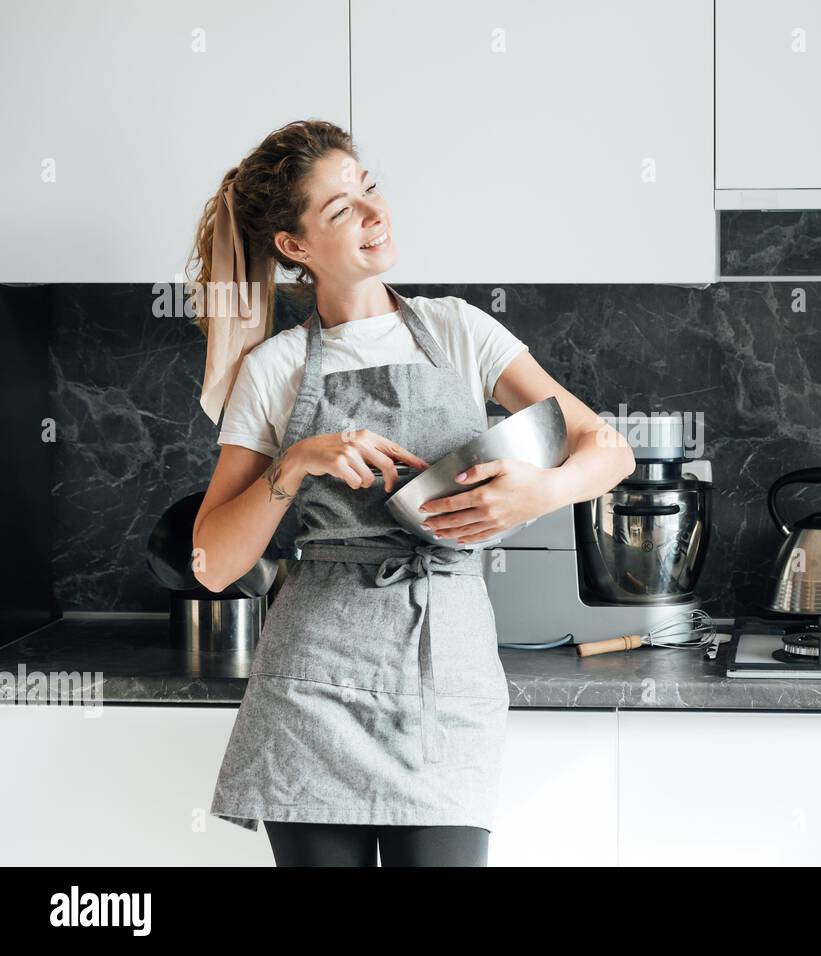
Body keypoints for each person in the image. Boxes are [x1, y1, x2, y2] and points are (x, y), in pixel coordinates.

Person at [186, 119, 634, 866]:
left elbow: (605, 448)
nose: (373, 213)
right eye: (340, 210)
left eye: (368, 189)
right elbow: (210, 563)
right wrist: (292, 465)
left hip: (447, 675)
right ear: (295, 247)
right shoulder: (276, 368)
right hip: (312, 684)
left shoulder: (457, 330)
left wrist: (539, 493)